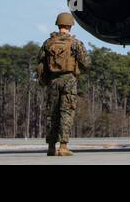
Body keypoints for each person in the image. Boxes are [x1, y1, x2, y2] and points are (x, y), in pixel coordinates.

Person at [37, 12, 90, 157]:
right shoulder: (75, 43)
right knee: (66, 112)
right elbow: (86, 63)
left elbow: (40, 62)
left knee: (52, 113)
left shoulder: (48, 43)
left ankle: (51, 147)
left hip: (52, 81)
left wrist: (44, 79)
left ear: (58, 24)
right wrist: (77, 69)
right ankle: (64, 146)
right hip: (69, 80)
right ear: (70, 26)